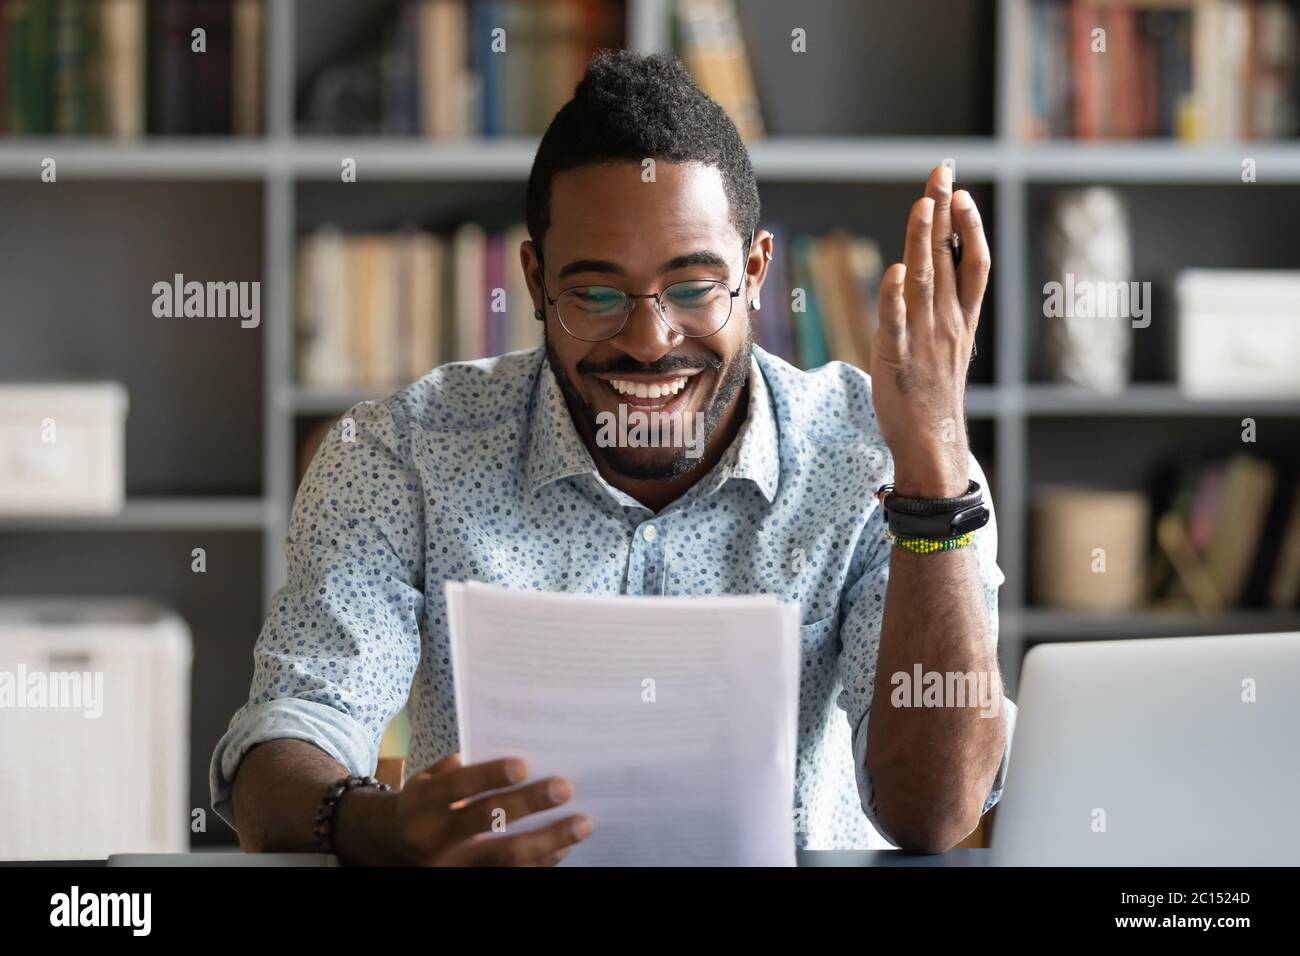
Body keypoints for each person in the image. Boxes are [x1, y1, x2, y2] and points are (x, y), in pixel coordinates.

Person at [212, 51, 1013, 866]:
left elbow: (933, 814)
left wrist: (935, 466)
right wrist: (382, 826)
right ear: (534, 280)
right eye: (595, 295)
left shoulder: (881, 457)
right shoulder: (402, 454)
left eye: (695, 288)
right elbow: (283, 742)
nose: (647, 340)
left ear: (757, 273)